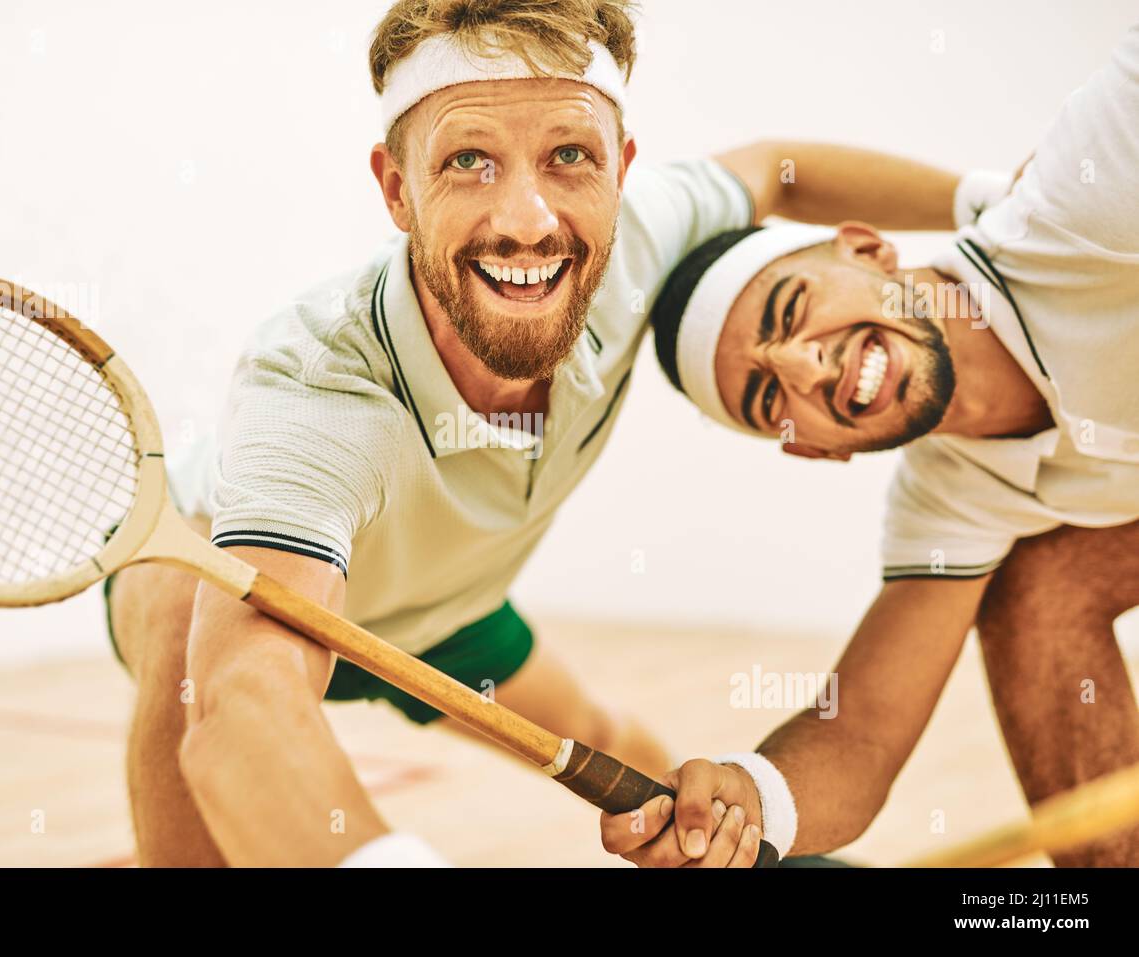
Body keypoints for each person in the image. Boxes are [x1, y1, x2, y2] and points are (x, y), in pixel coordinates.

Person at [112, 0, 972, 866]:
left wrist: (993, 201)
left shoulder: (640, 241)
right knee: (190, 632)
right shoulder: (318, 386)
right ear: (397, 189)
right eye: (468, 161)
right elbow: (244, 700)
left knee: (618, 749)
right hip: (243, 577)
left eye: (570, 156)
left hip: (444, 608)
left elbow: (777, 170)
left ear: (620, 169)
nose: (527, 220)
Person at [608, 23, 1139, 868]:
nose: (803, 367)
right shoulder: (952, 496)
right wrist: (751, 799)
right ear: (816, 451)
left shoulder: (1085, 204)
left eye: (790, 311)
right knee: (1037, 587)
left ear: (866, 246)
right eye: (767, 396)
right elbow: (858, 739)